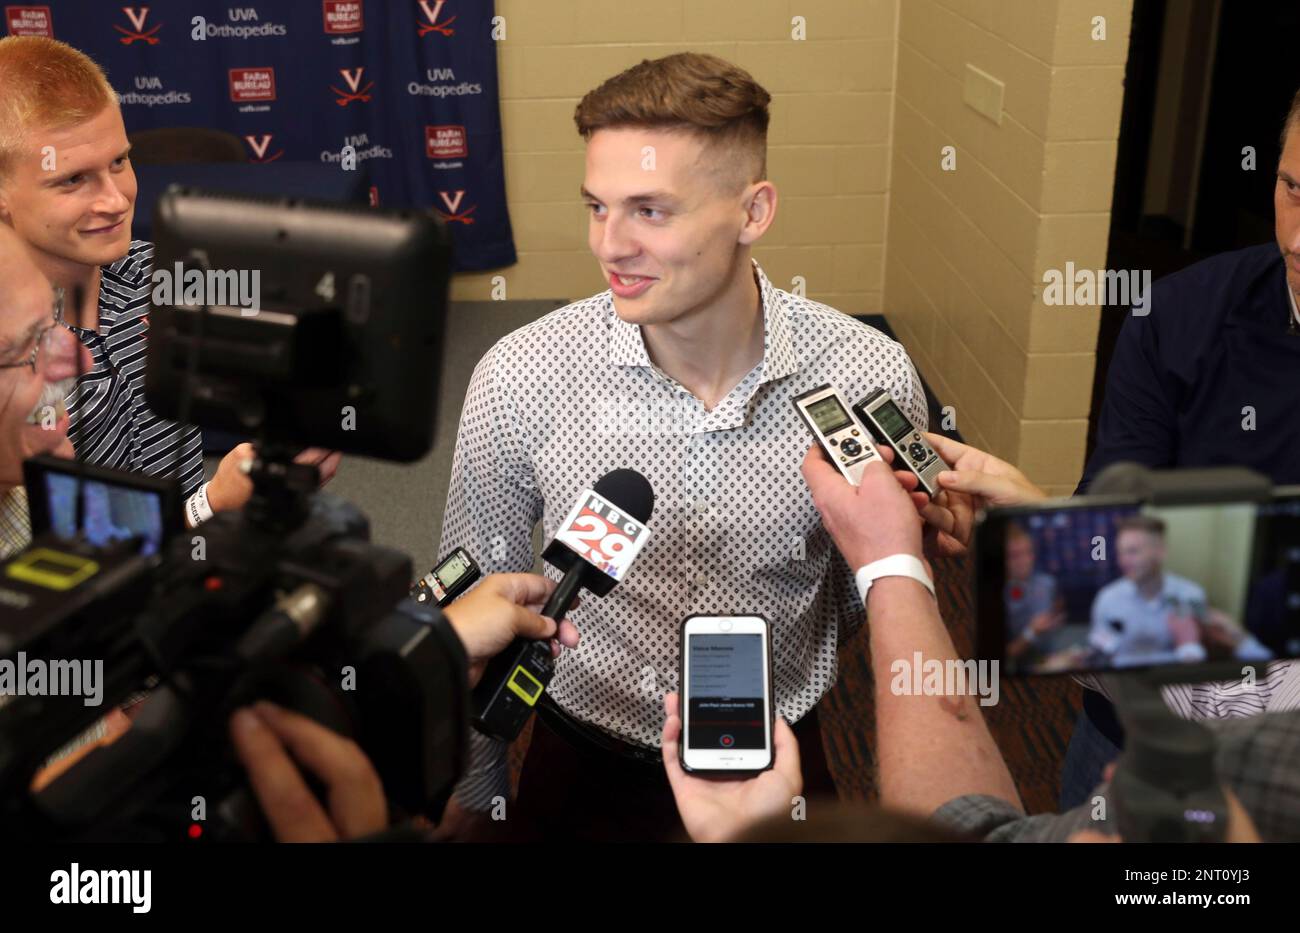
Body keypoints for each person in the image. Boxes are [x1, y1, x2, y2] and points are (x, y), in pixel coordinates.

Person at [437, 52, 927, 840]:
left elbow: (865, 589)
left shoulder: (869, 374)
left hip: (780, 765)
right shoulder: (522, 374)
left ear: (753, 211)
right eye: (597, 206)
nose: (610, 245)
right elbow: (474, 599)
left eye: (650, 212)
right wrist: (477, 784)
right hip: (580, 756)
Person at [0, 36, 339, 527]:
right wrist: (211, 506)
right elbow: (70, 568)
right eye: (73, 180)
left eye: (119, 161)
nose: (116, 200)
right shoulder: (11, 363)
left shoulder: (158, 272)